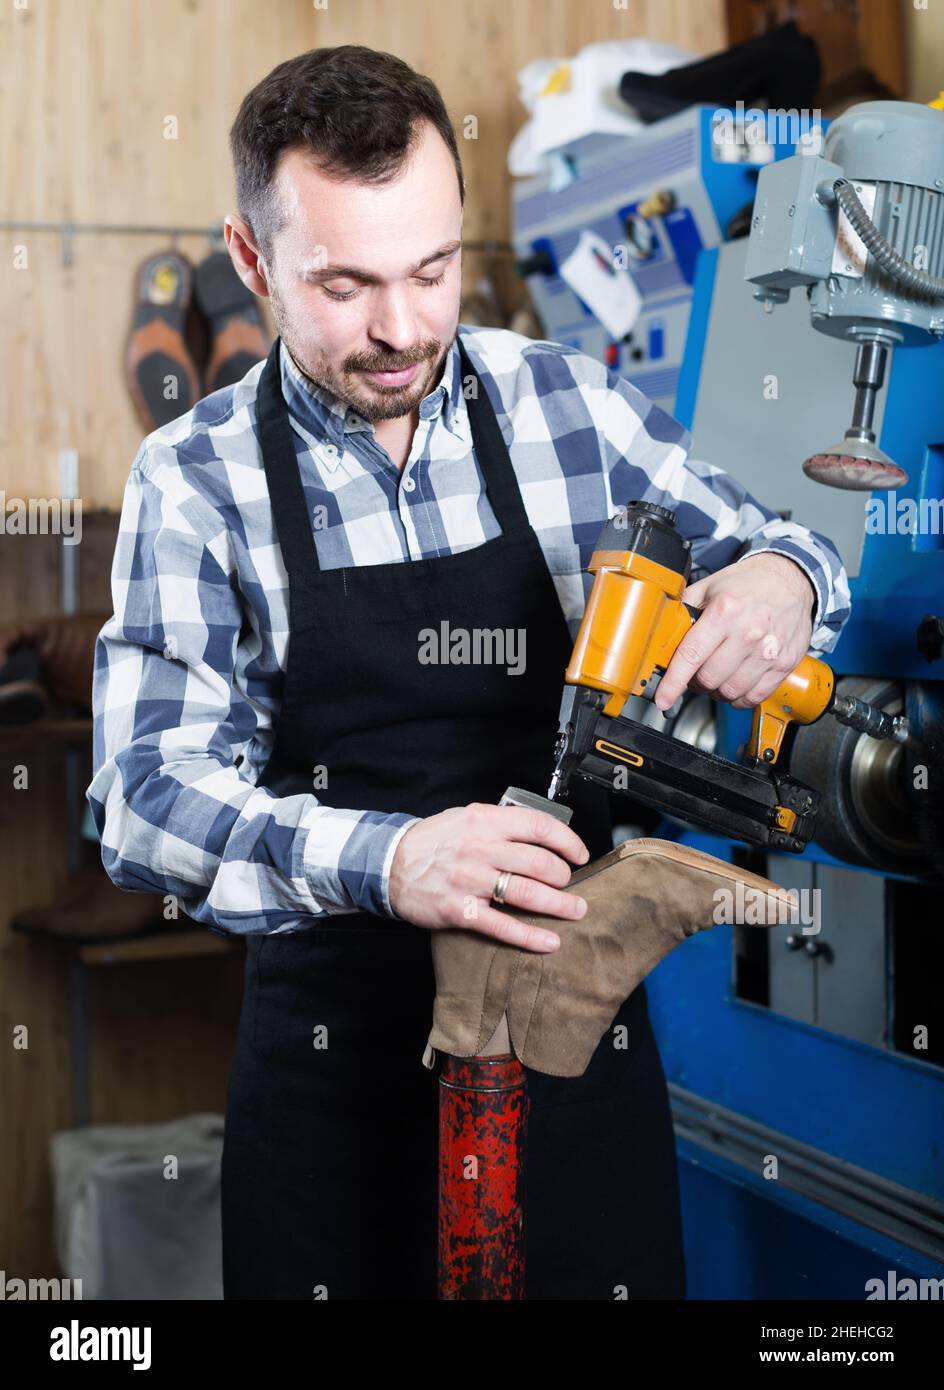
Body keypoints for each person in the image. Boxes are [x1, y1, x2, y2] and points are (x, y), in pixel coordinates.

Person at [88, 45, 850, 1300]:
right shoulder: (197, 476)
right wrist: (392, 857)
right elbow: (141, 799)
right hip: (336, 1081)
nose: (400, 328)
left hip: (575, 1065)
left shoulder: (570, 409)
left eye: (431, 269)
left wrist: (785, 582)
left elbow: (787, 542)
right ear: (250, 260)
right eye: (342, 284)